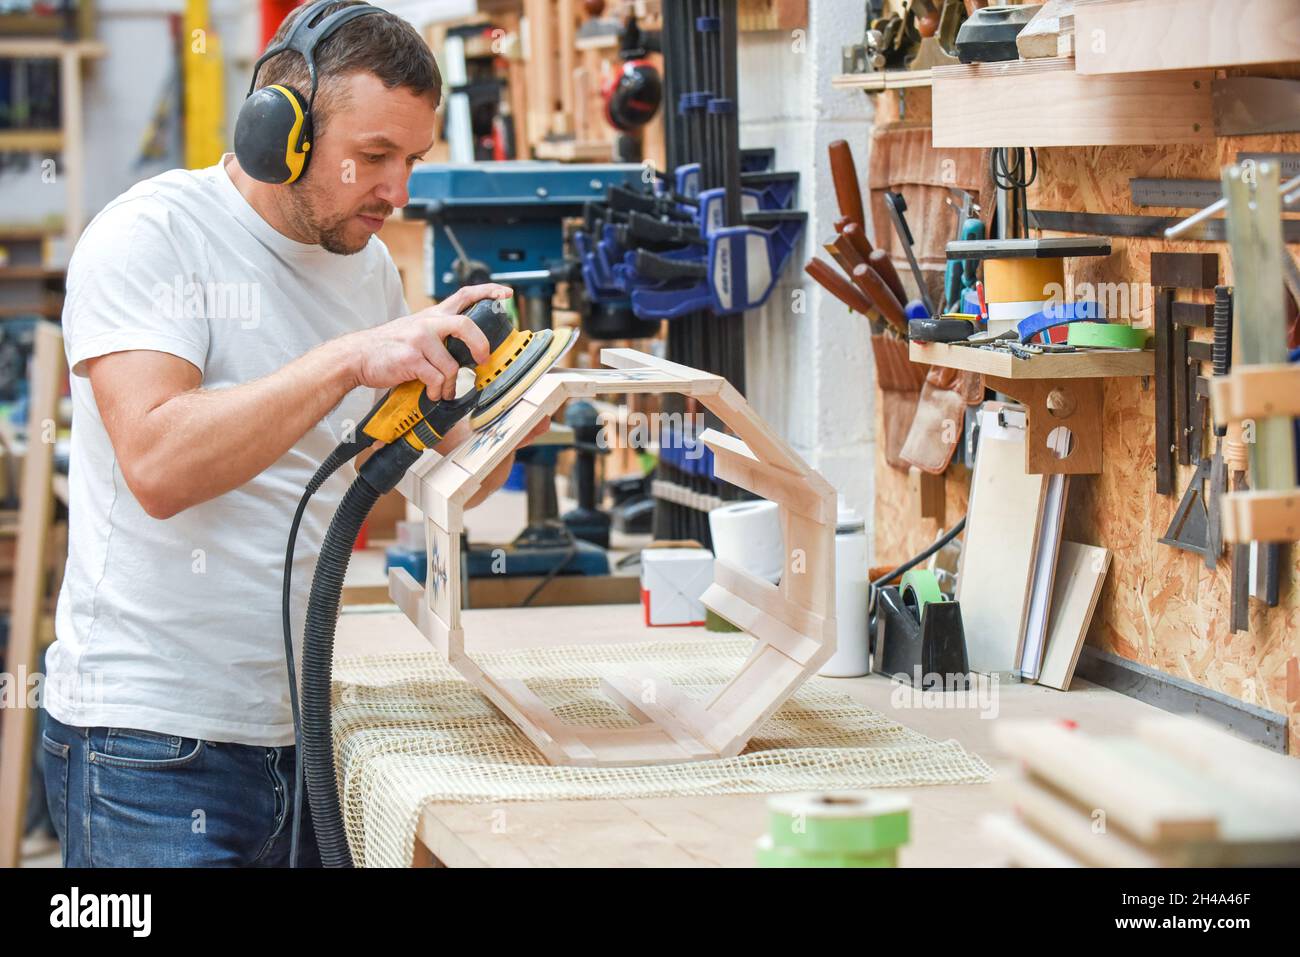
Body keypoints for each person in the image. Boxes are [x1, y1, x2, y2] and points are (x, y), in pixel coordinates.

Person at [40, 0, 543, 866]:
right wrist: (347, 359)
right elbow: (158, 463)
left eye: (413, 160)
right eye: (374, 157)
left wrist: (496, 416)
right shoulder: (151, 237)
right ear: (281, 128)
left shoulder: (367, 262)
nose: (398, 192)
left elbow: (408, 479)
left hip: (300, 726)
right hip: (148, 748)